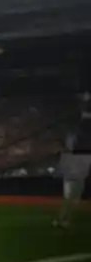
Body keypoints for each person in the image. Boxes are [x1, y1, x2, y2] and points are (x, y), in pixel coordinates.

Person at [54, 92, 91, 229]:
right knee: (71, 196)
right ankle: (63, 219)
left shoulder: (77, 133)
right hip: (76, 160)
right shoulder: (77, 133)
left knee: (73, 196)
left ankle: (64, 218)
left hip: (79, 160)